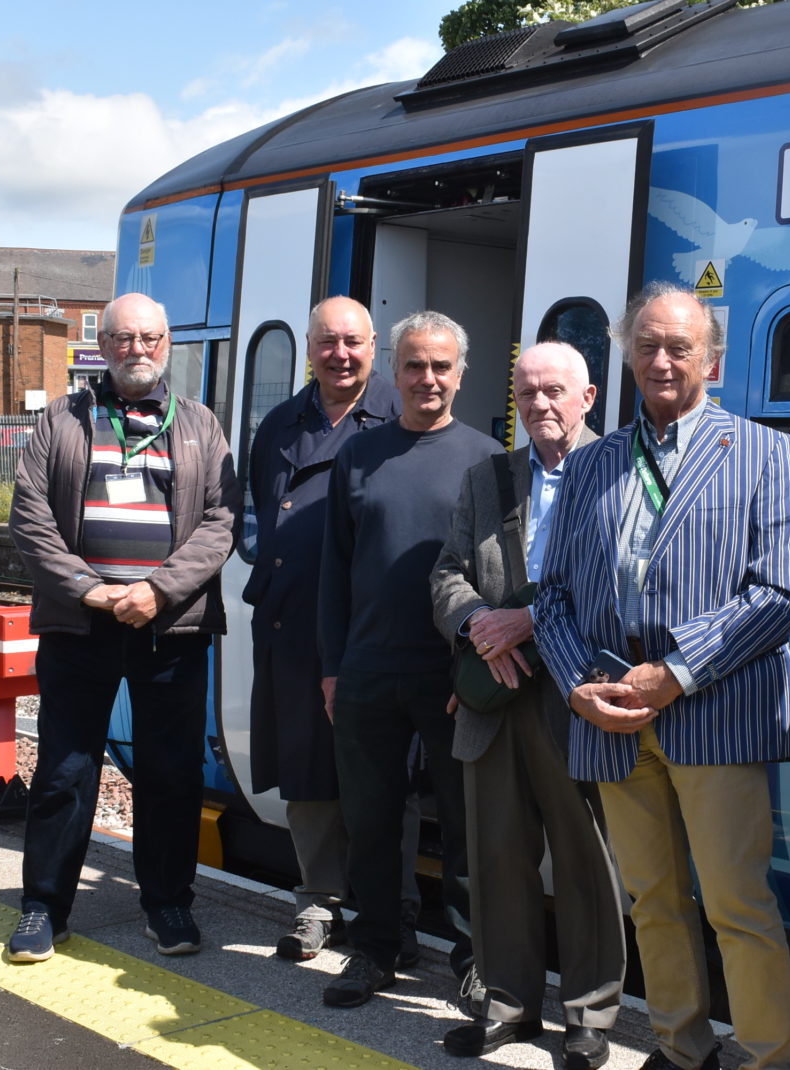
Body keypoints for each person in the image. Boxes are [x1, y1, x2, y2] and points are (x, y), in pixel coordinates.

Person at [533, 283, 790, 1070]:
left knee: (737, 905)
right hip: (612, 715)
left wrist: (677, 671)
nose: (663, 361)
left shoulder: (766, 453)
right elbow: (552, 594)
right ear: (627, 355)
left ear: (713, 360)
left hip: (716, 715)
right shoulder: (591, 464)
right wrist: (574, 685)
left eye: (680, 347)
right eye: (649, 345)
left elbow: (782, 593)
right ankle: (679, 1047)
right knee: (654, 902)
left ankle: (768, 1057)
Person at [6, 292, 237, 962]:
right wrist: (91, 591)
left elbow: (220, 522)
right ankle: (43, 908)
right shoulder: (61, 421)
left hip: (172, 627)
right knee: (65, 769)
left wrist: (156, 591)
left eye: (151, 337)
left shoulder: (199, 424)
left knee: (170, 771)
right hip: (81, 626)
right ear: (103, 347)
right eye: (124, 338)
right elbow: (30, 520)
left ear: (168, 344)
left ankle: (167, 905)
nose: (139, 349)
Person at [430, 343, 625, 1067]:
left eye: (554, 391)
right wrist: (476, 625)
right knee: (498, 859)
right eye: (527, 393)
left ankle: (589, 1016)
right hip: (494, 696)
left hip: (577, 699)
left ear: (588, 397)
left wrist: (531, 625)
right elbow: (447, 572)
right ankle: (508, 1006)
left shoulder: (619, 472)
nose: (540, 405)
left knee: (584, 863)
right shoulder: (489, 478)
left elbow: (622, 584)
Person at [318, 310, 503, 1008]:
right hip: (366, 672)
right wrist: (332, 668)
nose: (428, 378)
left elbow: (496, 580)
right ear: (392, 375)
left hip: (451, 677)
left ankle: (473, 956)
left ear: (461, 374)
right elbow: (333, 574)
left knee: (464, 823)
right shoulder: (358, 457)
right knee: (369, 820)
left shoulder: (488, 462)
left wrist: (475, 670)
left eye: (441, 366)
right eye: (415, 366)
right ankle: (375, 948)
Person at [242, 296, 425, 964]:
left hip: (375, 627)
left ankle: (394, 908)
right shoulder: (280, 425)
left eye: (352, 341)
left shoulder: (400, 417)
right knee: (308, 773)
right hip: (294, 626)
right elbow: (264, 519)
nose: (340, 355)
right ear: (309, 348)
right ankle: (319, 899)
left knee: (385, 780)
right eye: (326, 342)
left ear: (374, 345)